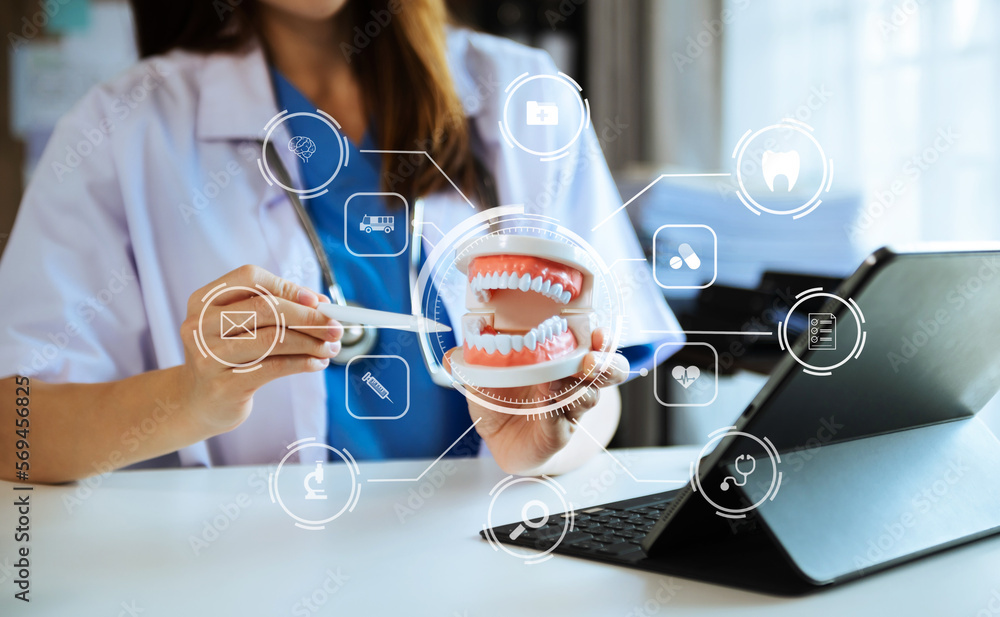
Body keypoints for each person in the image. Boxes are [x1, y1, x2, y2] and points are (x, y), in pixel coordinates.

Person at [0, 0, 681, 484]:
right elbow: (14, 427)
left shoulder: (526, 95)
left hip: (484, 570)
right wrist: (189, 399)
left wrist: (541, 444)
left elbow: (602, 377)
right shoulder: (123, 126)